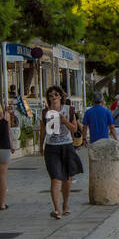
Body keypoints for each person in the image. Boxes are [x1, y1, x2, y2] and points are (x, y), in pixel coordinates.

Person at [40, 85, 82, 219]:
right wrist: (41, 146)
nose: (53, 97)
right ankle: (57, 209)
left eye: (56, 95)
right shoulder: (45, 112)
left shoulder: (68, 110)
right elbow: (43, 131)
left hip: (67, 146)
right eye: (51, 95)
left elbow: (74, 129)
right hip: (52, 147)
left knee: (67, 179)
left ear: (60, 96)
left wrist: (64, 120)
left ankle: (65, 204)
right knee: (55, 178)